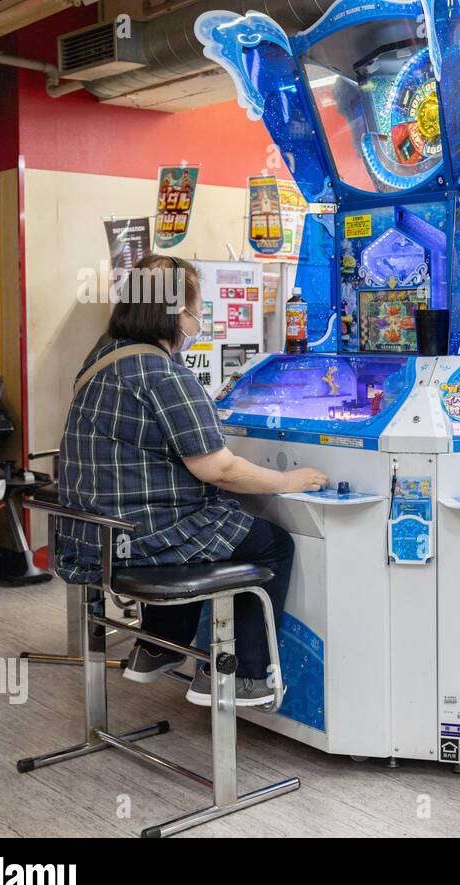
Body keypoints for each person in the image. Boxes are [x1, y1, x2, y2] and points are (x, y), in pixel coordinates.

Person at [57, 254, 327, 707]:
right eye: (197, 307)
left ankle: (157, 646)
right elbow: (216, 468)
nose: (198, 317)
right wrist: (286, 480)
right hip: (142, 539)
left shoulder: (102, 356)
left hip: (93, 537)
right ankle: (244, 676)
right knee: (268, 542)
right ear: (175, 313)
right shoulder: (164, 373)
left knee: (199, 527)